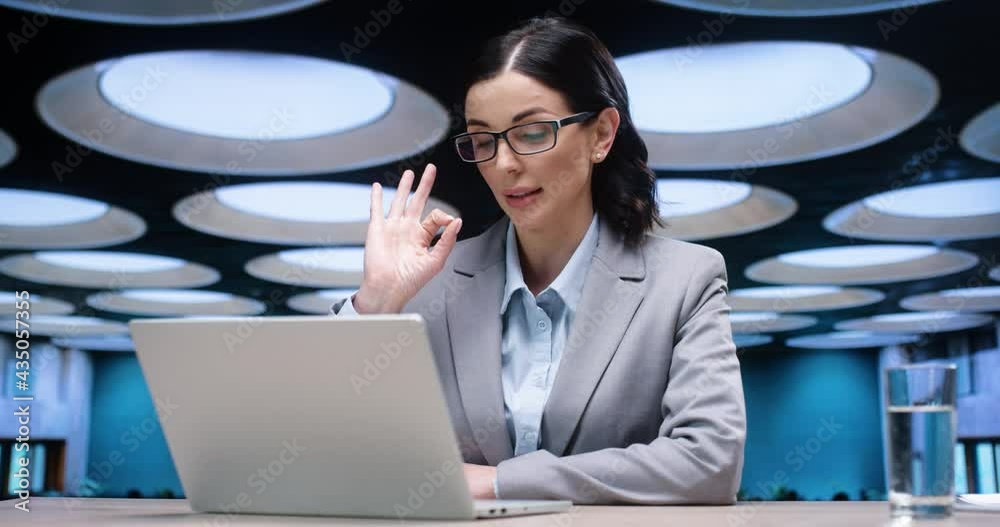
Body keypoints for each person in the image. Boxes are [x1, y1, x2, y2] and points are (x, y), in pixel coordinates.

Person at [331, 16, 746, 504]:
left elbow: (709, 461)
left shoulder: (684, 281)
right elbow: (323, 448)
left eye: (530, 133)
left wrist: (500, 483)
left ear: (601, 135)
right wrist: (375, 303)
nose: (504, 164)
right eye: (484, 140)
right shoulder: (429, 282)